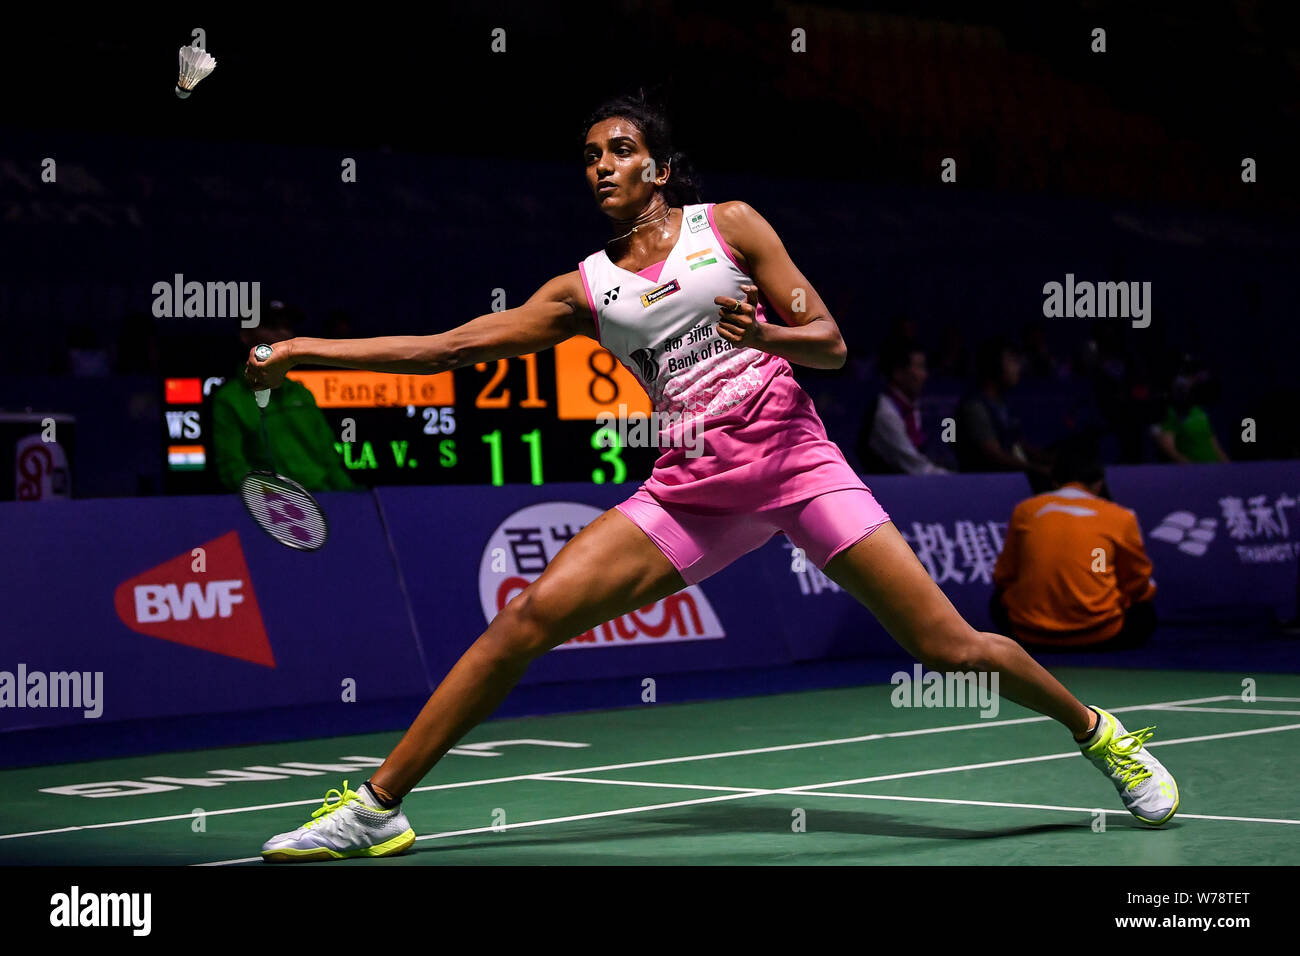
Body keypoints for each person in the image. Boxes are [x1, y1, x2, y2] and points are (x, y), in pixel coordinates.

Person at [246, 94, 1179, 862]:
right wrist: (304, 352)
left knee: (949, 647)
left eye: (618, 151)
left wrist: (764, 333)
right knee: (526, 619)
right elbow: (447, 348)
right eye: (588, 157)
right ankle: (378, 806)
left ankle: (1100, 734)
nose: (601, 166)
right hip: (692, 487)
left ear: (657, 167)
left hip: (798, 465)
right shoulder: (586, 290)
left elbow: (830, 343)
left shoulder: (729, 226)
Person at [991, 438, 1157, 650]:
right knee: (1145, 613)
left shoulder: (1025, 510)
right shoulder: (1121, 516)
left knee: (997, 603)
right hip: (1101, 633)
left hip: (1029, 633)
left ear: (1054, 482)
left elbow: (1003, 577)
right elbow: (1137, 582)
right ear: (1098, 484)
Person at [212, 301, 359, 493]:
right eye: (272, 326)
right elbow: (232, 469)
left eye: (287, 327)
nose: (282, 334)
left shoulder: (302, 394)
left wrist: (351, 497)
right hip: (271, 508)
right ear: (245, 336)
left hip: (324, 497)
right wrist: (276, 499)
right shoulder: (229, 400)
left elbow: (329, 460)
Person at [954, 336, 1049, 480]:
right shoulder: (974, 407)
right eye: (1012, 361)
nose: (1018, 368)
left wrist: (1049, 459)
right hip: (985, 487)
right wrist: (1039, 470)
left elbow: (1016, 445)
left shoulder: (1000, 403)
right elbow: (995, 457)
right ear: (994, 365)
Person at [857, 337, 950, 474]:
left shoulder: (913, 408)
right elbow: (914, 466)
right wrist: (955, 479)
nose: (924, 375)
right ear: (898, 373)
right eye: (919, 367)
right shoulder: (885, 413)